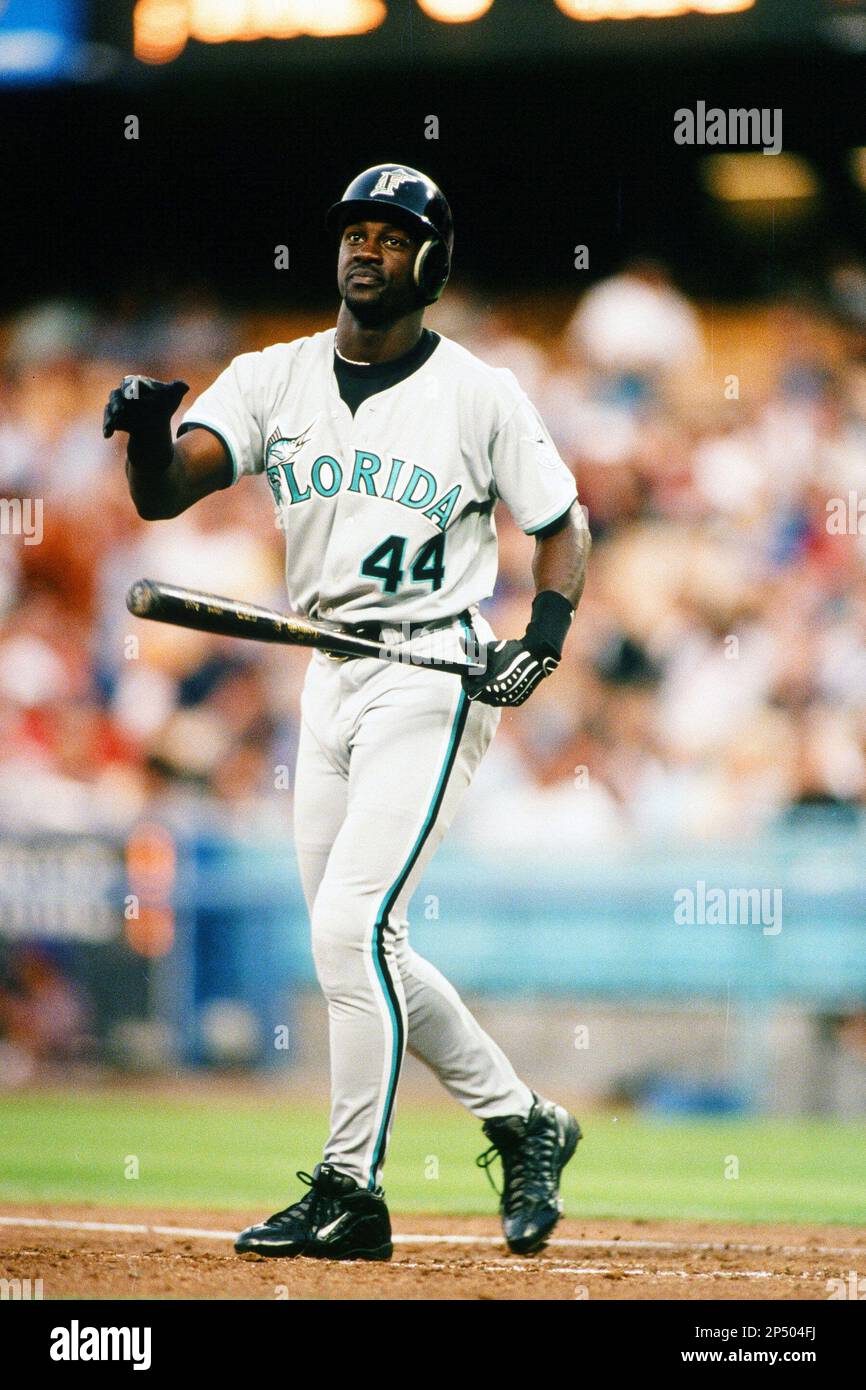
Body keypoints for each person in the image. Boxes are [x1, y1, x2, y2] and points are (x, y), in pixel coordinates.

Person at [104, 164, 591, 1261]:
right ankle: (524, 1123)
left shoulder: (476, 391)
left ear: (431, 260)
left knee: (347, 928)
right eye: (352, 232)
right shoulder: (274, 376)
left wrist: (544, 639)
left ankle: (349, 1189)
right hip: (327, 673)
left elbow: (562, 525)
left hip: (429, 671)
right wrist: (145, 432)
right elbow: (166, 489)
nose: (364, 248)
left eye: (390, 233)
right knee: (364, 943)